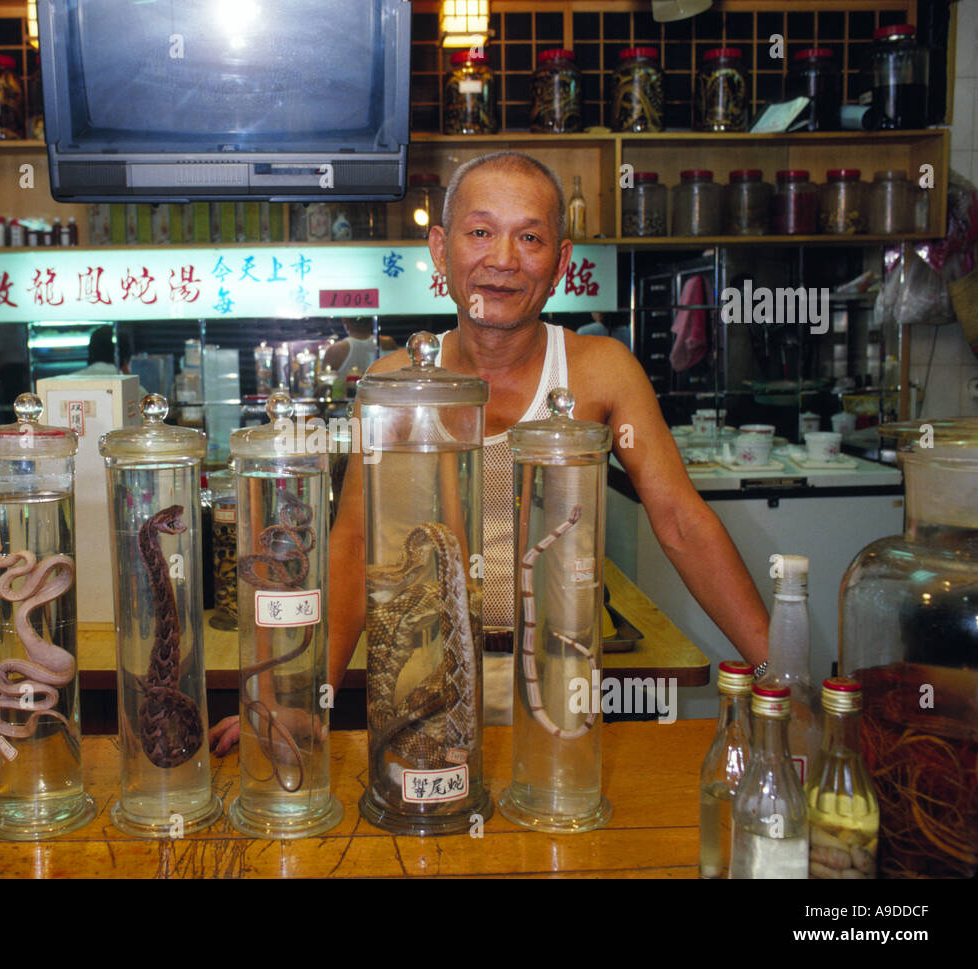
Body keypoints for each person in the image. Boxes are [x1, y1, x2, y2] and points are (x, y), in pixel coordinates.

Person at [211, 150, 769, 753]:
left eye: (529, 237)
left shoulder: (601, 372)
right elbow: (352, 545)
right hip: (419, 676)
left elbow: (681, 522)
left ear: (559, 264)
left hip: (555, 675)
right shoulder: (394, 386)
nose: (502, 260)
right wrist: (305, 701)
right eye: (480, 232)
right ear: (440, 249)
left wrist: (783, 677)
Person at [321, 318, 398, 378]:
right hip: (382, 397)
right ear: (372, 321)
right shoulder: (388, 343)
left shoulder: (336, 350)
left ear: (344, 320)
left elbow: (323, 388)